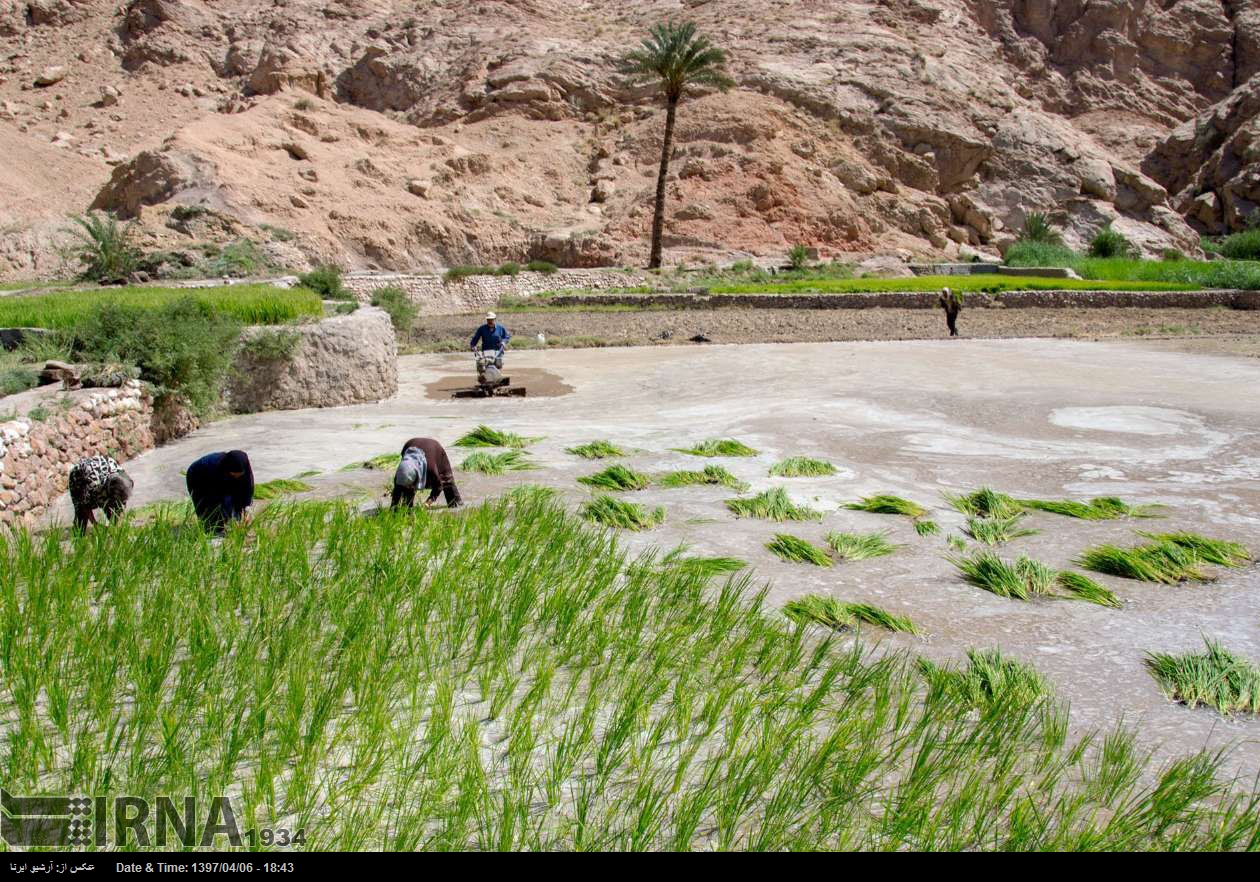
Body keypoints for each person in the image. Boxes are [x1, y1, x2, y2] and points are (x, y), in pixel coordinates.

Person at [186, 450, 255, 532]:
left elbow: (247, 487)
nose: (236, 477)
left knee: (238, 507)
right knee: (209, 511)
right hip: (198, 477)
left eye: (239, 475)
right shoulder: (218, 467)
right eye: (234, 474)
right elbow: (222, 496)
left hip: (221, 477)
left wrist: (246, 508)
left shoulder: (245, 467)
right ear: (229, 470)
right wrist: (230, 518)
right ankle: (212, 529)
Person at [391, 437, 462, 509]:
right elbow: (397, 490)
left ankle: (457, 506)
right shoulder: (400, 473)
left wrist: (430, 500)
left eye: (410, 485)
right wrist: (393, 507)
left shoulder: (431, 468)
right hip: (409, 445)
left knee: (447, 482)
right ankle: (408, 508)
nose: (409, 487)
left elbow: (438, 486)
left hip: (434, 448)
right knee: (407, 490)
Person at [67, 454, 133, 532]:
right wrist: (95, 524)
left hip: (101, 477)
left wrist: (117, 523)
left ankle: (115, 527)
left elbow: (120, 504)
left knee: (114, 512)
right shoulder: (92, 483)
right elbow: (85, 506)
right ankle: (78, 537)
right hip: (78, 479)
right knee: (81, 516)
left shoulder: (126, 480)